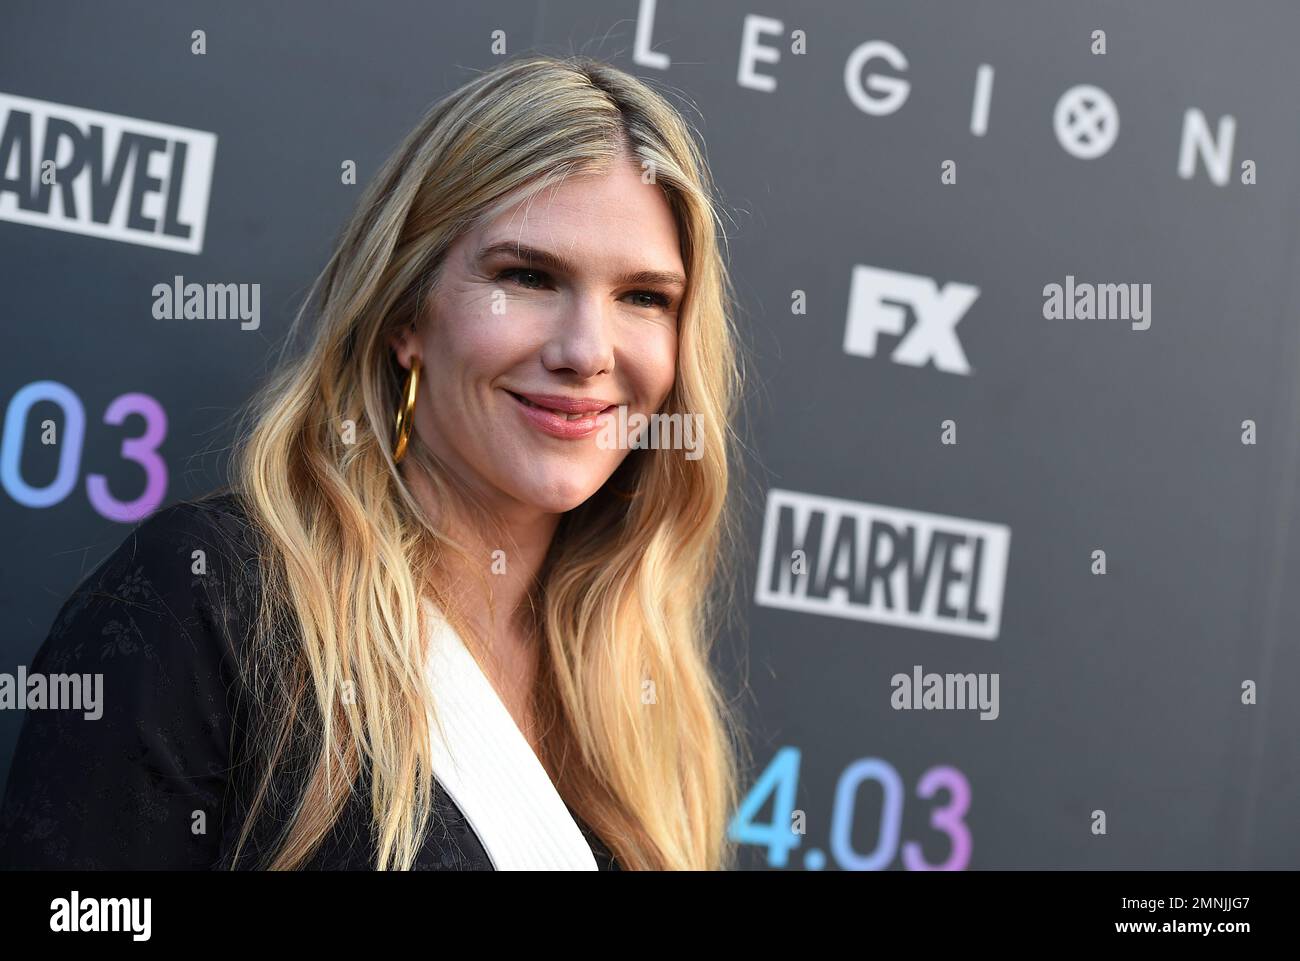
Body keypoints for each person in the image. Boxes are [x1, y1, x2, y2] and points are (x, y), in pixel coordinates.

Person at [0, 54, 747, 870]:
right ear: (405, 313)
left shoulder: (646, 698)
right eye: (528, 276)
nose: (585, 351)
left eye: (644, 297)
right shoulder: (211, 603)